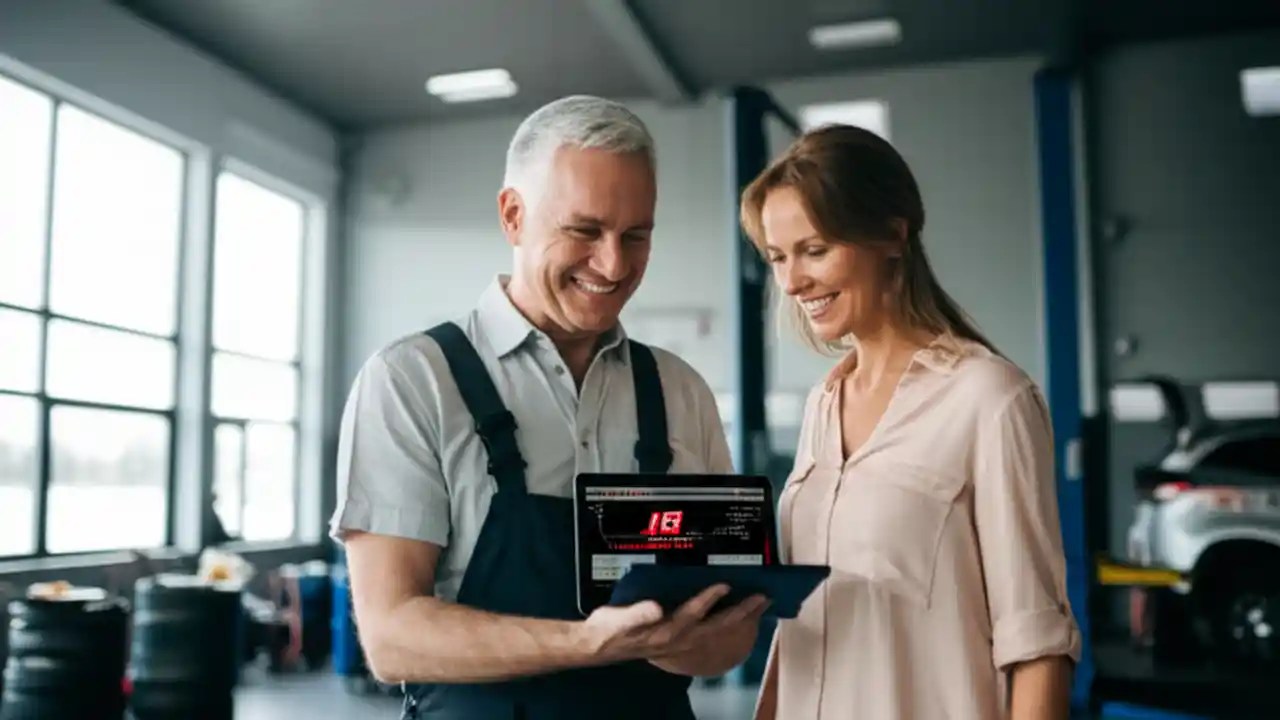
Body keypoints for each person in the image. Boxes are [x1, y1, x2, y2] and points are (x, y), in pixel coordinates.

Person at [329, 95, 769, 720]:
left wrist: (691, 637)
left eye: (635, 235)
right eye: (584, 231)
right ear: (513, 216)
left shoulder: (679, 391)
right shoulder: (412, 381)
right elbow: (391, 636)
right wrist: (592, 642)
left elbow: (730, 633)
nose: (613, 264)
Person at [743, 124, 1082, 720]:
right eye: (777, 258)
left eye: (815, 250)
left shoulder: (988, 399)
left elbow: (1038, 647)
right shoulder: (822, 406)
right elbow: (806, 626)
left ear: (892, 236)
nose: (792, 281)